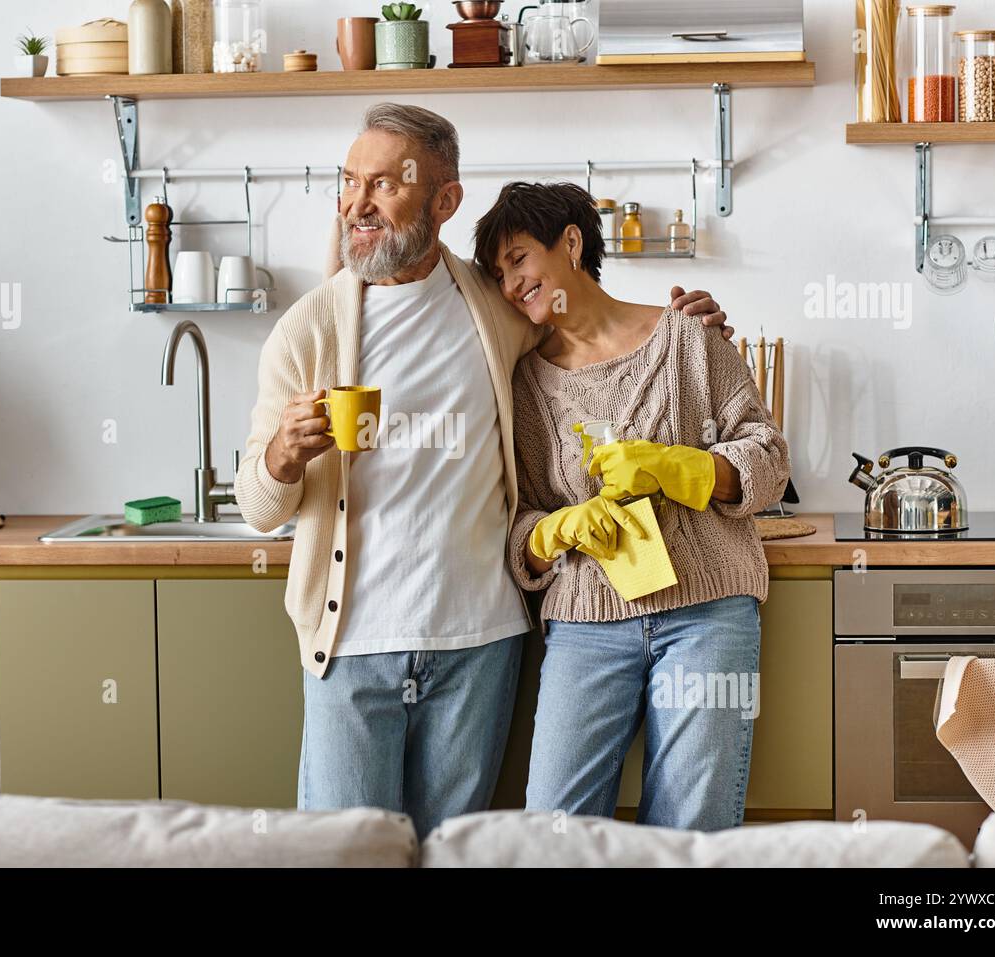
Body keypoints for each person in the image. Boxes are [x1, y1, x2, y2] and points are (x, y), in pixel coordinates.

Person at [235, 103, 733, 838]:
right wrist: (283, 453)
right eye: (348, 182)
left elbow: (590, 323)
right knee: (339, 853)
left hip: (478, 645)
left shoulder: (498, 308)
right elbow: (257, 503)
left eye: (383, 184)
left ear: (444, 200)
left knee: (456, 853)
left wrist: (687, 327)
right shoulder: (306, 332)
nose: (356, 202)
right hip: (351, 644)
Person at [472, 181, 791, 830]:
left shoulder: (688, 338)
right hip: (587, 623)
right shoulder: (524, 383)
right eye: (499, 274)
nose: (511, 284)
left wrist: (687, 469)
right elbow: (521, 525)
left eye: (520, 259)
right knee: (553, 830)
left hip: (707, 612)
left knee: (690, 827)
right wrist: (557, 529)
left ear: (570, 242)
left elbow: (770, 460)